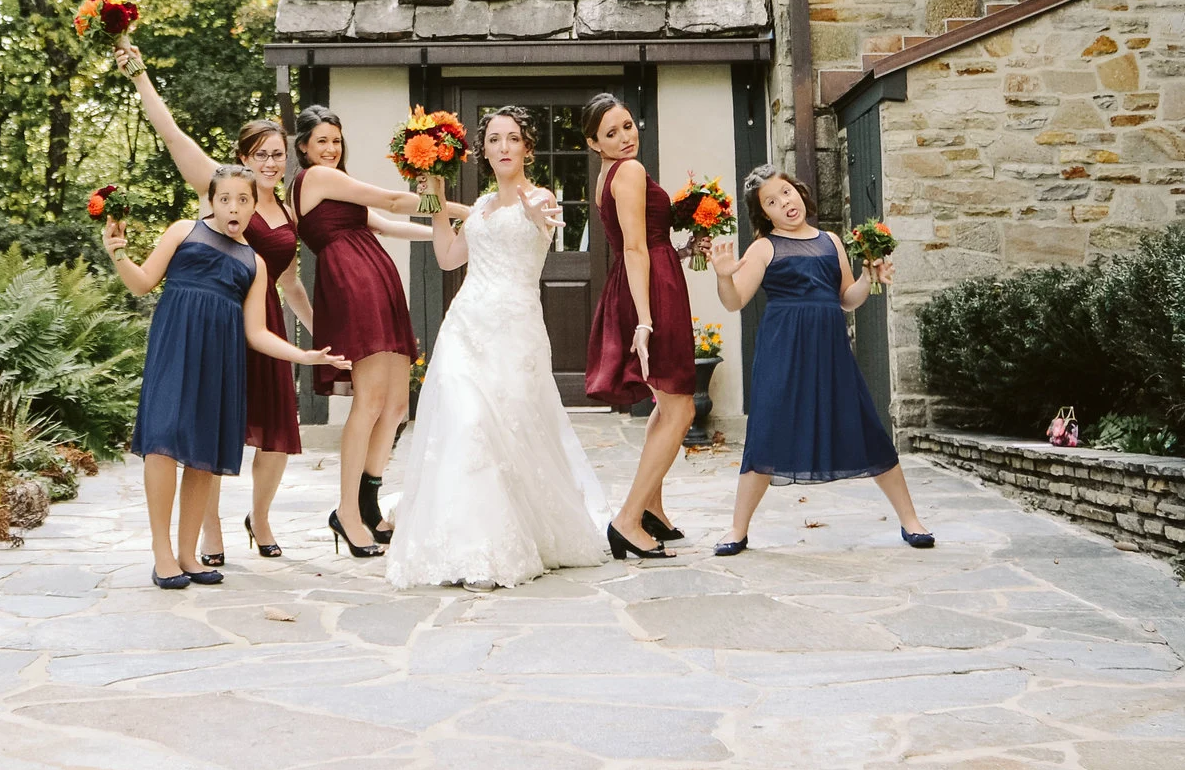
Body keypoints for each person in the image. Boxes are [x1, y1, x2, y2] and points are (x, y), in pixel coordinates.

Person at [384, 106, 610, 590]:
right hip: (465, 327)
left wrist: (533, 213)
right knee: (466, 424)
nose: (503, 147)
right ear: (483, 152)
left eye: (512, 139)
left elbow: (544, 221)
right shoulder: (483, 205)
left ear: (527, 148)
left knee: (505, 428)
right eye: (493, 140)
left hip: (514, 330)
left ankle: (509, 539)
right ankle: (469, 543)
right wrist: (437, 199)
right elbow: (448, 258)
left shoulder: (542, 198)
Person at [103, 166, 350, 588]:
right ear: (211, 201)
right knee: (162, 444)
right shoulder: (184, 231)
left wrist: (304, 356)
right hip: (174, 349)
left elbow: (256, 333)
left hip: (220, 360)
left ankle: (187, 554)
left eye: (243, 200)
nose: (233, 207)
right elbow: (143, 283)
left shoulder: (253, 262)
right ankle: (163, 554)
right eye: (225, 199)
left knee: (203, 457)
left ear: (254, 207)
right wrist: (118, 252)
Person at [115, 46, 311, 563]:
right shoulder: (218, 191)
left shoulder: (288, 207)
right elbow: (172, 134)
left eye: (279, 153)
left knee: (264, 431)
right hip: (198, 325)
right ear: (242, 161)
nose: (271, 162)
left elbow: (290, 283)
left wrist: (317, 338)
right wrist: (140, 75)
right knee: (193, 427)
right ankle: (207, 535)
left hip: (254, 319)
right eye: (262, 153)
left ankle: (257, 519)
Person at [709, 166, 933, 554]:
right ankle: (737, 529)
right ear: (765, 214)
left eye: (786, 193)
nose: (784, 203)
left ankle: (911, 521)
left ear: (798, 191)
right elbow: (734, 302)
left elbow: (847, 298)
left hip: (829, 347)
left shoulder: (831, 241)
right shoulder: (764, 247)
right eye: (772, 202)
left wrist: (869, 277)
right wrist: (724, 276)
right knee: (766, 430)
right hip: (783, 349)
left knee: (866, 426)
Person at [291, 104, 451, 557]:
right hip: (352, 287)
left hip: (377, 283)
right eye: (321, 140)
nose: (330, 148)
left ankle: (367, 502)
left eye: (336, 141)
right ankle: (345, 511)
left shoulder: (341, 190)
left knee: (397, 405)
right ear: (303, 147)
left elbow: (392, 224)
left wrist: (461, 223)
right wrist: (467, 204)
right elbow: (395, 200)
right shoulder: (315, 179)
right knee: (371, 401)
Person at [581, 91, 711, 561]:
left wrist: (680, 250)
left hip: (651, 275)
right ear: (594, 142)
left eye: (628, 126)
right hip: (651, 290)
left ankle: (652, 506)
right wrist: (647, 320)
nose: (624, 138)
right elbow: (635, 248)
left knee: (667, 401)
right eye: (610, 134)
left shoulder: (607, 177)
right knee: (681, 409)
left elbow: (643, 243)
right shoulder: (629, 171)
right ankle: (628, 519)